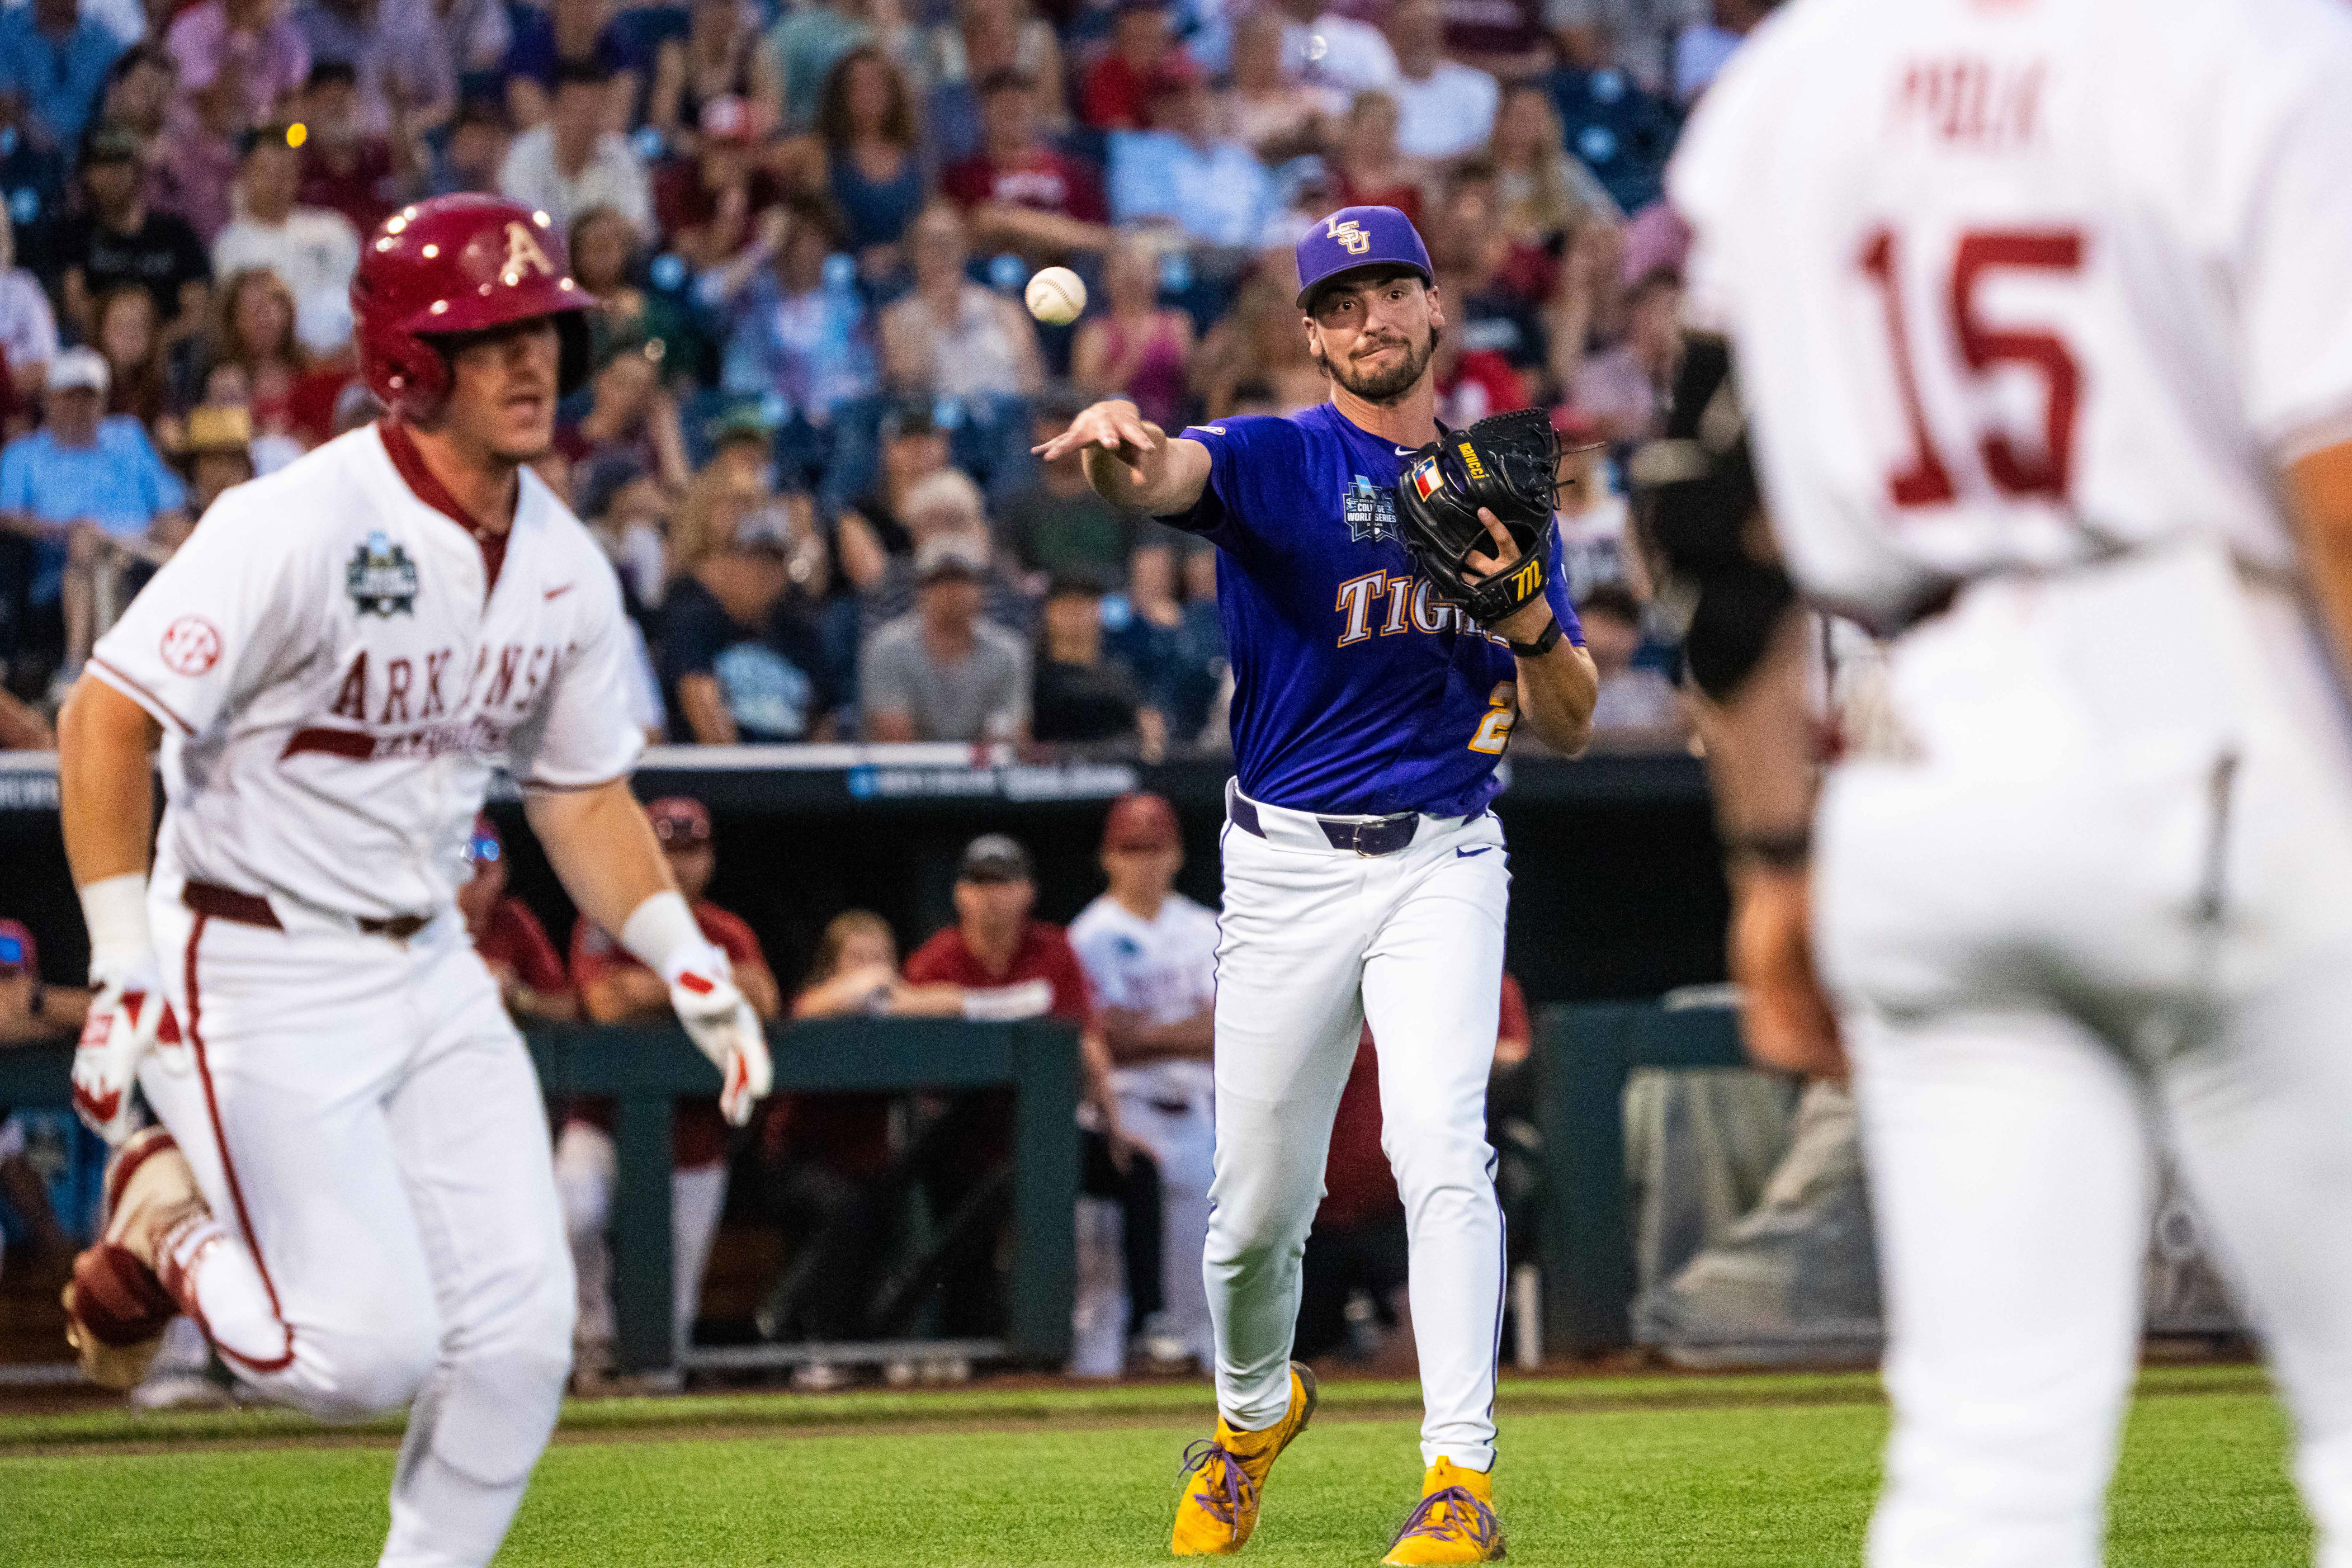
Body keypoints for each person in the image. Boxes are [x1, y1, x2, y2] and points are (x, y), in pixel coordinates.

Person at [1667, 0, 2352, 1562]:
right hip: (2211, 723)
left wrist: (1770, 855)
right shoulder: (2249, 46)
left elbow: (1705, 512)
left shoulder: (1788, 84)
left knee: (1984, 1466)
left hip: (1920, 772)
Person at [49, 193, 771, 1567]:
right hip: (251, 957)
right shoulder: (300, 519)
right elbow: (108, 716)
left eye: (543, 330)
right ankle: (169, 1215)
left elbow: (577, 791)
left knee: (520, 1341)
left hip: (429, 962)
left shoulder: (562, 558)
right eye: (486, 334)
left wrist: (681, 952)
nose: (530, 363)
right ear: (406, 360)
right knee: (357, 1356)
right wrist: (120, 947)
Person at [1035, 204, 1598, 1561]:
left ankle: (1457, 1480)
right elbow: (1165, 477)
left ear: (1432, 307)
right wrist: (1120, 445)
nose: (1367, 321)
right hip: (1284, 866)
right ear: (1307, 332)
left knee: (1437, 1149)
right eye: (1339, 303)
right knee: (1249, 1220)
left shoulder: (1492, 483)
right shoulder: (1281, 454)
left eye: (1389, 292)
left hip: (1443, 852)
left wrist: (1522, 609)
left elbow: (1569, 715)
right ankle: (1247, 1416)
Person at [560, 795, 780, 1375]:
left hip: (695, 1131)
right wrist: (705, 983)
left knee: (675, 1299)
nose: (681, 865)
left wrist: (654, 988)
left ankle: (659, 1392)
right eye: (667, 851)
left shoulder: (726, 929)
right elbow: (607, 1004)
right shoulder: (606, 916)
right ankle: (594, 1339)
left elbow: (762, 995)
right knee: (574, 1212)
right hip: (603, 1117)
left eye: (692, 851)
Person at [900, 832, 1116, 1344]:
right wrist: (963, 1003)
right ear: (960, 894)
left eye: (1004, 883)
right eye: (980, 884)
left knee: (1133, 1174)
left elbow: (1086, 1037)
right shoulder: (940, 958)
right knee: (959, 1237)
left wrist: (1114, 1116)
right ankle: (965, 1350)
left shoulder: (1052, 949)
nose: (992, 896)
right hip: (959, 1137)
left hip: (1039, 1133)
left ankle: (1146, 1327)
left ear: (1027, 891)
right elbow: (899, 1005)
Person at [1068, 792, 1217, 1372]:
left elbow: (1227, 1026)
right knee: (1104, 1285)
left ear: (1176, 854)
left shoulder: (1206, 927)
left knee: (1205, 1290)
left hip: (1199, 1115)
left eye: (1154, 848)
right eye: (1131, 849)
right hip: (1123, 1116)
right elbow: (1107, 1038)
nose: (1144, 862)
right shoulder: (1091, 933)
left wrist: (1147, 1033)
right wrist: (1184, 1028)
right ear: (1110, 857)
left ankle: (1214, 1422)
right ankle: (1094, 1410)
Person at [0, 348, 190, 684]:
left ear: (103, 401)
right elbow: (8, 517)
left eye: (89, 398)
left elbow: (169, 501)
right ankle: (81, 672)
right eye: (70, 397)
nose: (80, 408)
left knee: (185, 530)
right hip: (62, 562)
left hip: (140, 545)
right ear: (49, 401)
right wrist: (62, 529)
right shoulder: (24, 455)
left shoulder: (128, 437)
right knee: (88, 542)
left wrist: (167, 528)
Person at [657, 504, 836, 743]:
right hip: (721, 774)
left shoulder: (798, 631)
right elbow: (702, 705)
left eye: (774, 564)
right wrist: (743, 776)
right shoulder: (695, 620)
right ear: (728, 563)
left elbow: (823, 720)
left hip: (793, 772)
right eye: (753, 561)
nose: (763, 574)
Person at [209, 125, 364, 356]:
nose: (276, 181)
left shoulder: (336, 228)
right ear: (247, 176)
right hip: (279, 364)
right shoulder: (231, 245)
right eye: (267, 171)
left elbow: (359, 299)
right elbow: (243, 325)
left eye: (284, 171)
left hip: (347, 356)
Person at [858, 533, 1029, 743]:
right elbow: (895, 739)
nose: (950, 590)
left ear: (982, 589)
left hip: (983, 773)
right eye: (937, 580)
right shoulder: (888, 648)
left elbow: (1009, 735)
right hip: (904, 772)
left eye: (962, 578)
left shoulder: (1007, 651)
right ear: (920, 590)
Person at [941, 68, 1112, 269]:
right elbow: (958, 238)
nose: (1011, 111)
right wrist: (1059, 231)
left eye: (1018, 104)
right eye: (1000, 105)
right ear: (981, 113)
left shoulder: (1074, 172)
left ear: (1036, 108)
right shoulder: (963, 176)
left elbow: (1101, 239)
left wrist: (1010, 221)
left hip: (1067, 274)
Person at [56, 126, 212, 344]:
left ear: (138, 171)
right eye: (100, 166)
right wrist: (119, 343)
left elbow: (197, 310)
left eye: (119, 166)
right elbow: (75, 304)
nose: (110, 177)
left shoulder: (175, 233)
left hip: (168, 358)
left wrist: (153, 345)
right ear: (87, 176)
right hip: (99, 353)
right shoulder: (77, 234)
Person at [498, 61, 653, 238]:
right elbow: (523, 221)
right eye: (575, 108)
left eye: (592, 109)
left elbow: (641, 226)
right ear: (555, 109)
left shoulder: (623, 153)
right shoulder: (524, 153)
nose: (583, 119)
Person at [455, 815, 575, 1023]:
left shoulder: (510, 917)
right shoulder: (412, 921)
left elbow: (568, 1006)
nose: (475, 889)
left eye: (483, 873)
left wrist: (517, 995)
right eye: (464, 875)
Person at [1072, 236, 1194, 433]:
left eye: (1143, 268)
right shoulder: (1095, 331)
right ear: (1107, 277)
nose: (1135, 276)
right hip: (1114, 437)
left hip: (1172, 433)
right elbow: (1088, 398)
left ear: (1158, 275)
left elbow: (1193, 388)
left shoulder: (1178, 323)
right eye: (1126, 268)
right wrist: (1135, 353)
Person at [1031, 573, 1161, 754]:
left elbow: (1147, 731)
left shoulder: (1120, 675)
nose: (1075, 613)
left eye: (1085, 603)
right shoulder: (1032, 675)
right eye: (1066, 604)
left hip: (1118, 769)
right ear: (1049, 613)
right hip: (1050, 772)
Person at [0, 0, 122, 156]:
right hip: (20, 154)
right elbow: (6, 106)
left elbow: (115, 107)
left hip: (88, 157)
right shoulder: (8, 31)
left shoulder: (104, 41)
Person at [1385, 0, 1499, 162]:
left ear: (1441, 31)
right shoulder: (1373, 84)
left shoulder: (1478, 87)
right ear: (1395, 30)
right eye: (1413, 30)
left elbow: (1482, 151)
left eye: (1427, 27)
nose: (1421, 38)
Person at [1575, 582, 1680, 745]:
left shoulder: (1657, 688)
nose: (1607, 634)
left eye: (1618, 624)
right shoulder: (1559, 686)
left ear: (1636, 635)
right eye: (1602, 620)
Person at [170, 402, 259, 513]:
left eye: (232, 461)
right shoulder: (180, 520)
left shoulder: (264, 520)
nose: (221, 473)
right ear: (195, 468)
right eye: (212, 461)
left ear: (248, 469)